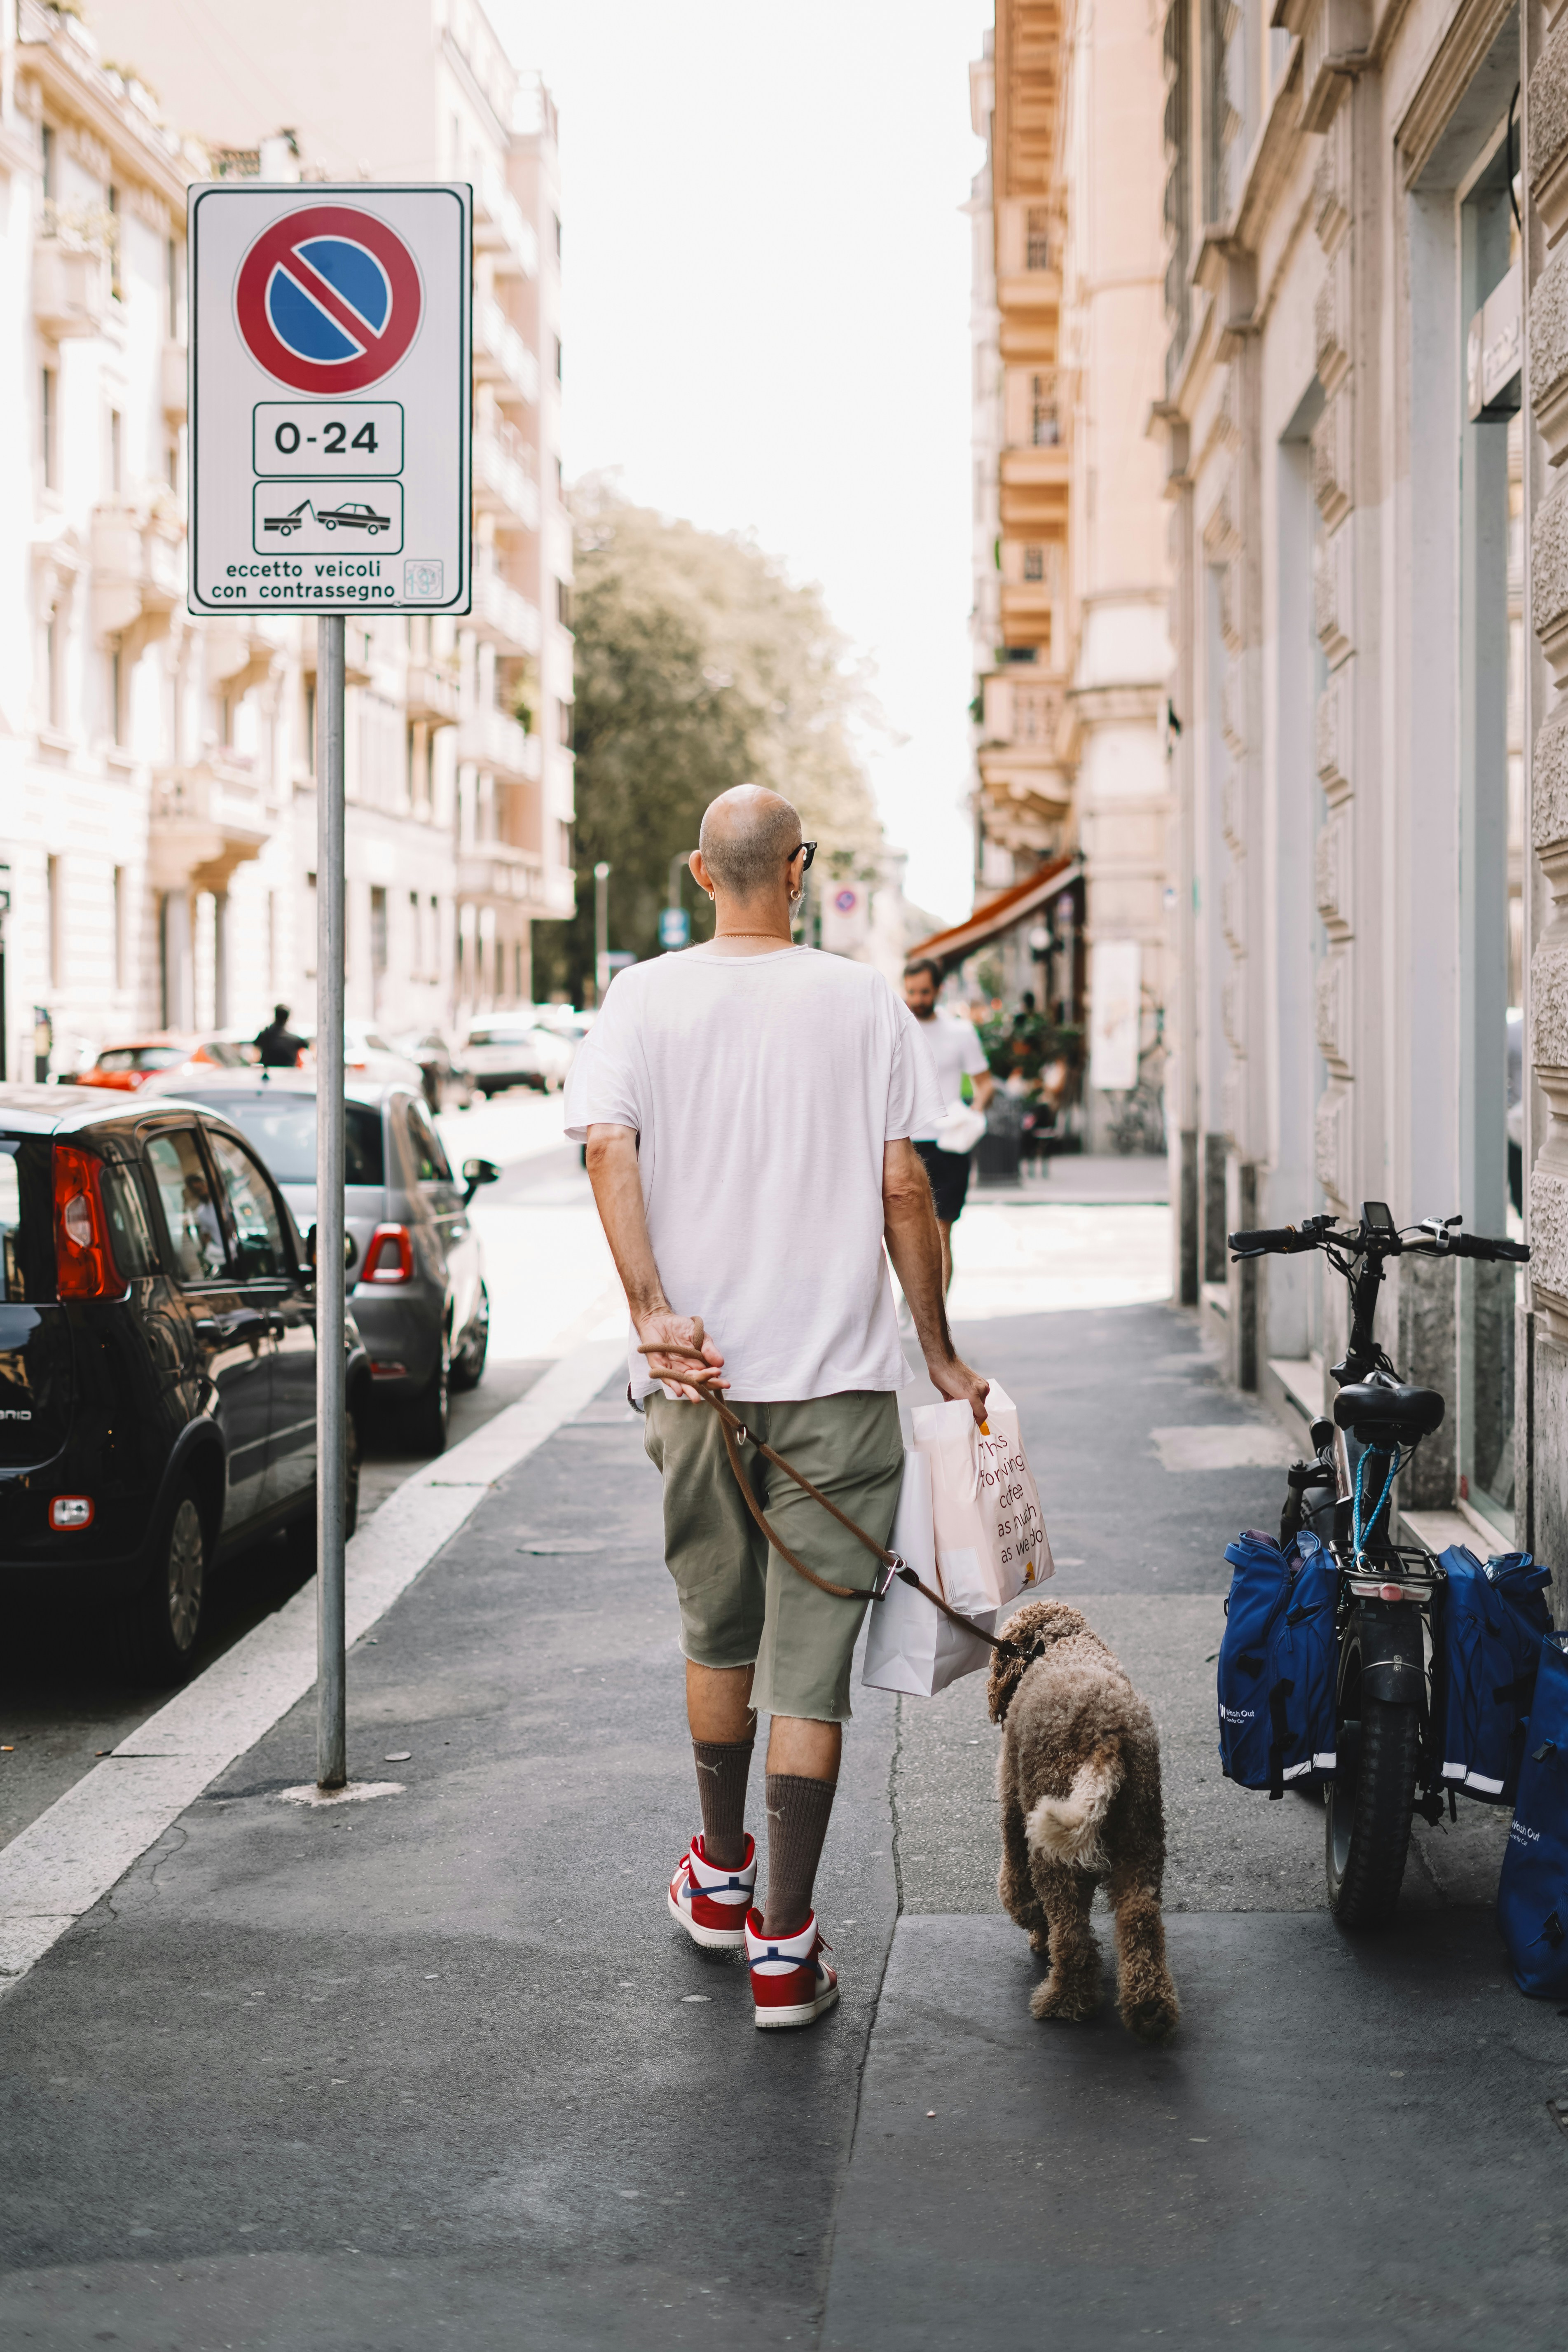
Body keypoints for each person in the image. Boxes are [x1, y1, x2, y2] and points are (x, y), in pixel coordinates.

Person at [566, 786, 990, 2032]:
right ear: (797, 869)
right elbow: (901, 1186)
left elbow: (605, 1145)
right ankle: (783, 1949)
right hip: (841, 1386)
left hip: (697, 1386)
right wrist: (940, 1351)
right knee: (809, 1669)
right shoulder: (860, 997)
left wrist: (651, 1310)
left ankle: (717, 1876)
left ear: (702, 870)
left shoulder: (641, 994)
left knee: (715, 1631)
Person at [903, 957, 995, 1294]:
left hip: (949, 1144)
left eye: (924, 991)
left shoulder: (961, 1032)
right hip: (904, 1143)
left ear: (939, 990)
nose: (917, 999)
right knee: (904, 1233)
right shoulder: (895, 1028)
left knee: (942, 1232)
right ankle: (911, 1302)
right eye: (911, 991)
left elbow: (985, 1084)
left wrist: (974, 1112)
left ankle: (939, 1316)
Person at [254, 1004, 306, 1069]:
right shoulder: (295, 1040)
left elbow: (255, 1054)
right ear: (288, 1019)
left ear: (275, 1016)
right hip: (289, 1074)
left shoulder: (264, 1035)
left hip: (268, 1075)